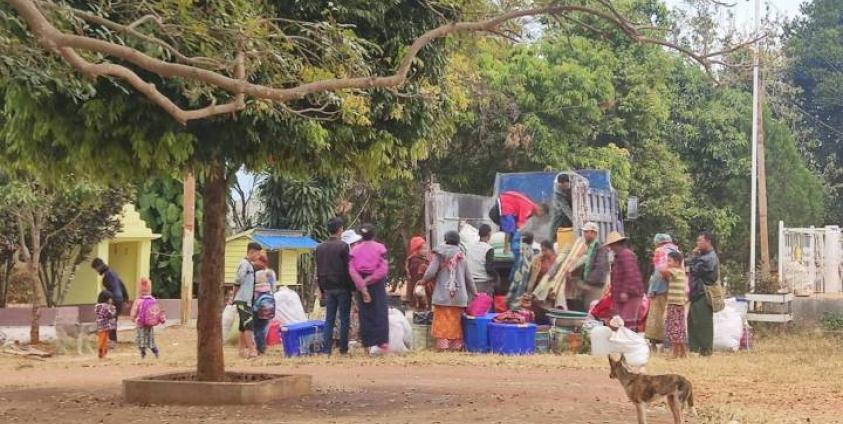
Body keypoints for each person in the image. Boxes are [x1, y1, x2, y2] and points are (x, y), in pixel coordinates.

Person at [423, 231, 477, 351]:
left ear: (445, 240)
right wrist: (475, 292)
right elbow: (469, 278)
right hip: (459, 297)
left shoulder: (439, 254)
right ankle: (455, 346)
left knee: (442, 321)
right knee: (456, 323)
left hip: (442, 295)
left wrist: (424, 280)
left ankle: (443, 346)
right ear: (458, 242)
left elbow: (431, 272)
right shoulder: (462, 256)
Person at [315, 217, 355, 355]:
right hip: (343, 287)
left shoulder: (320, 247)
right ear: (340, 230)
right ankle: (343, 349)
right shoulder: (343, 246)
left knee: (329, 319)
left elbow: (319, 270)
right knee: (344, 319)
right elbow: (348, 269)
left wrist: (321, 289)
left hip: (328, 288)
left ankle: (327, 349)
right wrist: (352, 288)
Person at [348, 224, 390, 354]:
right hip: (376, 283)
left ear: (361, 236)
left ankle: (367, 344)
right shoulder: (380, 248)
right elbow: (383, 269)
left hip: (361, 283)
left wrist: (362, 285)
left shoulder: (355, 250)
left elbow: (352, 270)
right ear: (373, 234)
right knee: (380, 312)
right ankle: (382, 343)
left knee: (365, 314)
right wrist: (369, 280)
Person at [489, 191, 547, 267]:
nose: (541, 217)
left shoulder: (531, 209)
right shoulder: (529, 208)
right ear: (540, 210)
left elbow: (517, 225)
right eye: (542, 215)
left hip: (507, 202)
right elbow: (519, 226)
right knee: (511, 228)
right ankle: (506, 248)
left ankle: (507, 247)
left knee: (512, 229)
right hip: (506, 202)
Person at [604, 232, 645, 331]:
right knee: (620, 322)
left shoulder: (626, 254)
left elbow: (630, 273)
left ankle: (628, 340)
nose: (610, 248)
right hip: (624, 295)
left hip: (631, 294)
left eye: (611, 245)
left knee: (626, 323)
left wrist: (624, 291)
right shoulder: (619, 256)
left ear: (616, 244)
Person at [645, 234, 679, 350]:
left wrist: (653, 289)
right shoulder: (676, 251)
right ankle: (668, 343)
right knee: (670, 315)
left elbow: (658, 272)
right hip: (673, 288)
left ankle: (654, 343)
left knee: (656, 315)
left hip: (660, 289)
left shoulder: (660, 251)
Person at [688, 231, 719, 357]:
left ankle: (706, 350)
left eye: (700, 240)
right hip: (696, 293)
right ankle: (695, 349)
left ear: (708, 241)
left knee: (703, 322)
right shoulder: (703, 256)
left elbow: (695, 269)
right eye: (697, 240)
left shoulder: (710, 257)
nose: (698, 243)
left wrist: (694, 256)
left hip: (703, 293)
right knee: (692, 321)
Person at [233, 242, 262, 359]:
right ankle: (252, 350)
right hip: (243, 300)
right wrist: (234, 297)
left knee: (242, 326)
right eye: (257, 254)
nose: (258, 257)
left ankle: (241, 350)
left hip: (247, 300)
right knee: (249, 325)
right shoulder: (244, 264)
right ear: (251, 252)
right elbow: (237, 281)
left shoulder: (250, 265)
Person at [571, 222, 610, 311]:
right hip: (588, 285)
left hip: (594, 287)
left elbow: (600, 269)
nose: (584, 234)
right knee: (585, 309)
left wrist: (587, 283)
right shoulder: (586, 248)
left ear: (593, 233)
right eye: (584, 232)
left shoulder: (600, 248)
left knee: (592, 311)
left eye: (586, 232)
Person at [91, 258, 127, 345]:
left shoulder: (107, 275)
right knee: (112, 319)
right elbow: (122, 285)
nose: (96, 271)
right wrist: (126, 298)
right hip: (120, 299)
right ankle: (112, 339)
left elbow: (111, 290)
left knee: (109, 319)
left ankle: (111, 339)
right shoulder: (113, 272)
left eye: (96, 269)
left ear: (99, 266)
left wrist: (109, 301)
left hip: (114, 299)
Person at [662, 250, 689, 359]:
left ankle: (675, 352)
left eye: (669, 261)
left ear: (677, 262)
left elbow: (663, 272)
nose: (668, 263)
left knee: (674, 329)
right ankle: (683, 352)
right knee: (679, 329)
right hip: (679, 304)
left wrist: (661, 264)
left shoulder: (675, 271)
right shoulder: (681, 272)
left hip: (674, 304)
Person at [129, 277, 161, 359]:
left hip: (140, 324)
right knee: (150, 339)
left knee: (141, 339)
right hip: (150, 324)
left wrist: (132, 318)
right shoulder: (153, 299)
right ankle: (155, 351)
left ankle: (143, 353)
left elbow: (134, 312)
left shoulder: (138, 301)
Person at [466, 224, 498, 296]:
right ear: (489, 234)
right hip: (483, 282)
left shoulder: (470, 247)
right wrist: (497, 276)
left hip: (470, 281)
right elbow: (489, 269)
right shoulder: (488, 249)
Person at [507, 232, 537, 308]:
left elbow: (518, 268)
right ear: (532, 241)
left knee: (514, 304)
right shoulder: (531, 252)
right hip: (525, 283)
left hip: (518, 280)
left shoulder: (521, 251)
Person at [252, 269, 275, 355]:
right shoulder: (268, 288)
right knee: (262, 329)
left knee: (257, 330)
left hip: (257, 310)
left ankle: (260, 348)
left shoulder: (255, 288)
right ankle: (262, 347)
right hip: (267, 311)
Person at [405, 236, 431, 310]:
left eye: (427, 248)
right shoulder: (415, 262)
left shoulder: (422, 260)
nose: (426, 251)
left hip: (422, 291)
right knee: (421, 312)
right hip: (420, 292)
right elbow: (417, 279)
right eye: (424, 249)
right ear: (417, 250)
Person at [549, 173, 574, 242]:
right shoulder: (557, 190)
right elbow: (565, 208)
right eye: (561, 187)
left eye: (565, 186)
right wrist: (574, 220)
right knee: (558, 215)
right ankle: (552, 241)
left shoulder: (576, 183)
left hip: (574, 200)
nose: (563, 189)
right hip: (561, 204)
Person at [94, 290, 117, 360]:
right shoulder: (105, 306)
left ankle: (101, 353)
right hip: (105, 326)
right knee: (104, 340)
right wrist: (114, 312)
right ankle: (102, 353)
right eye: (110, 298)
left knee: (101, 339)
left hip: (99, 325)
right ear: (106, 298)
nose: (111, 300)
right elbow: (109, 315)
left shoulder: (97, 306)